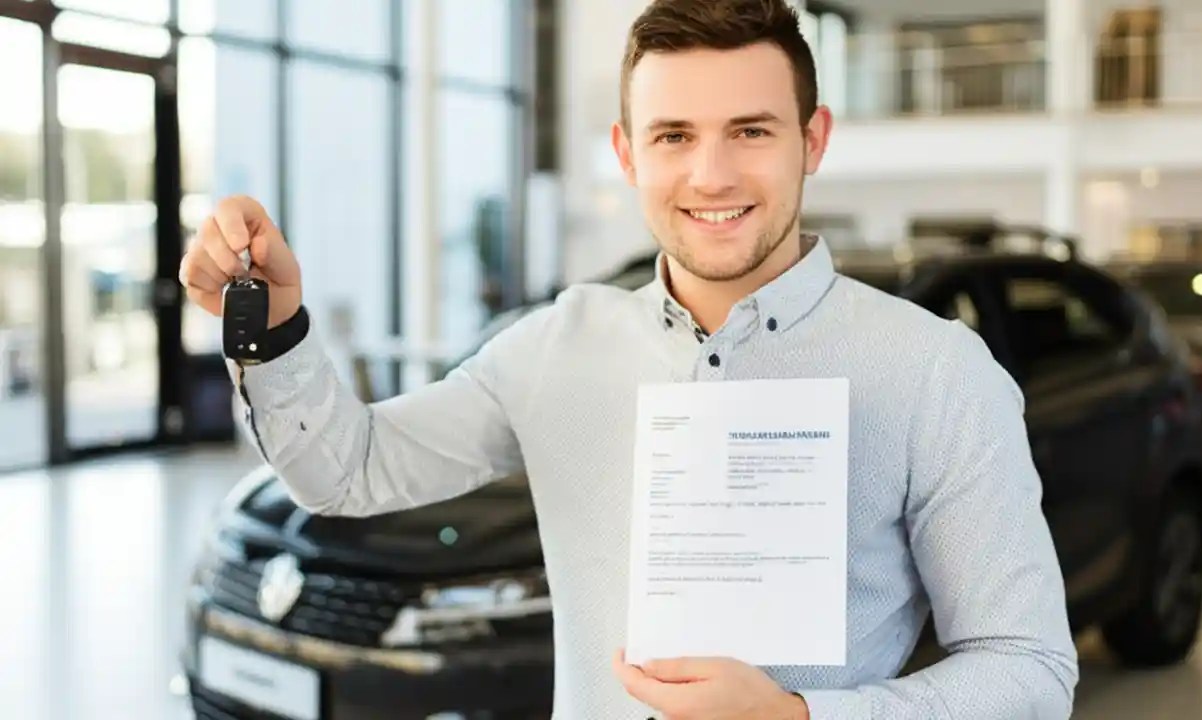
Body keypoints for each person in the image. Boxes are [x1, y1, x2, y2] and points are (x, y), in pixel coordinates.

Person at [179, 0, 1079, 716]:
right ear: (626, 152)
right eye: (673, 135)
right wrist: (277, 328)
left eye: (752, 131)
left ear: (813, 139)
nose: (712, 175)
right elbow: (348, 472)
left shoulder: (936, 374)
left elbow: (1028, 669)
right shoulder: (556, 345)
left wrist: (803, 719)